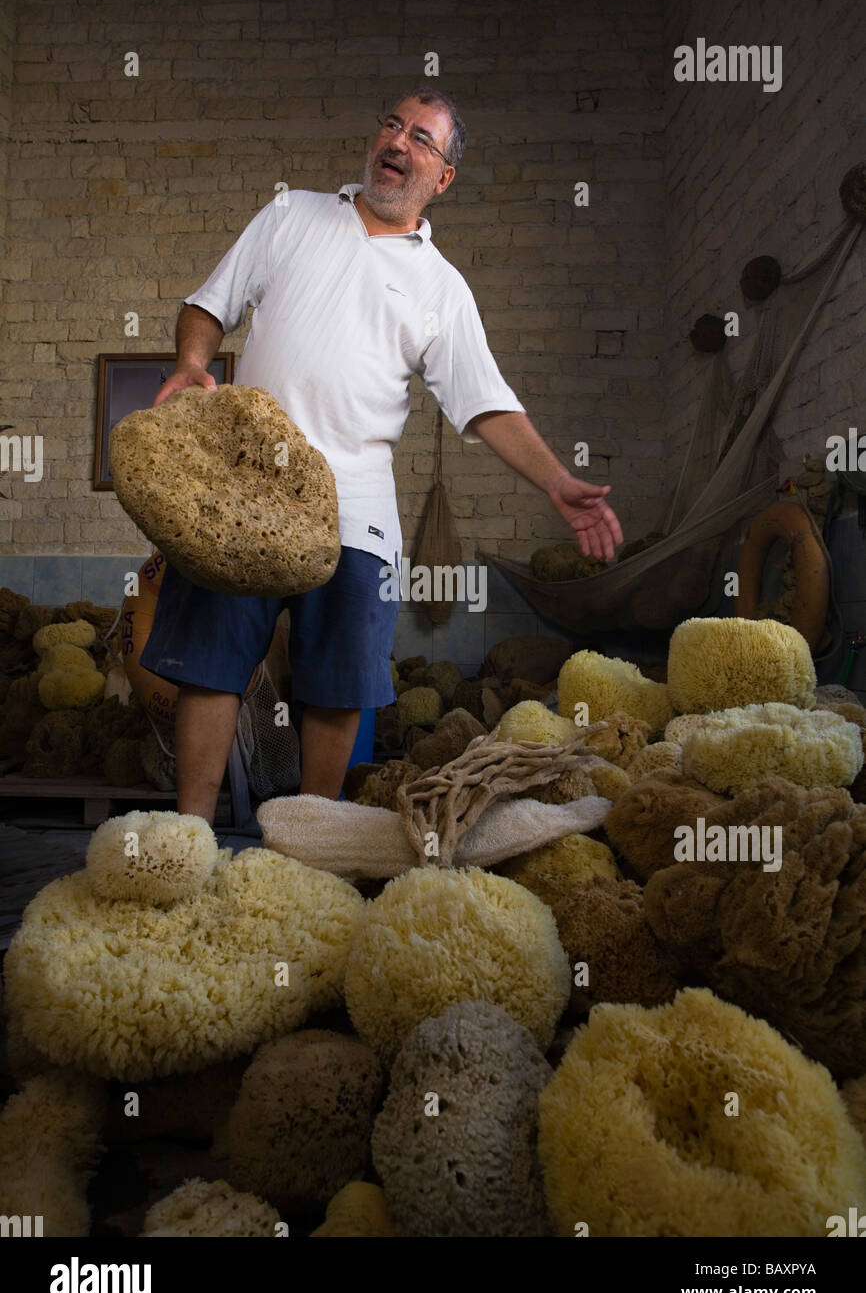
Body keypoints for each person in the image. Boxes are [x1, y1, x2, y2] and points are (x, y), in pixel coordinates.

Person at [140, 87, 623, 823]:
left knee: (336, 684)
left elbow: (486, 402)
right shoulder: (292, 215)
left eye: (422, 138)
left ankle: (310, 843)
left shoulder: (442, 288)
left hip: (353, 508)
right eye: (392, 126)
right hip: (243, 495)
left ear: (444, 177)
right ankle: (188, 835)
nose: (398, 142)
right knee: (209, 668)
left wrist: (555, 481)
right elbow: (209, 304)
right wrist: (190, 360)